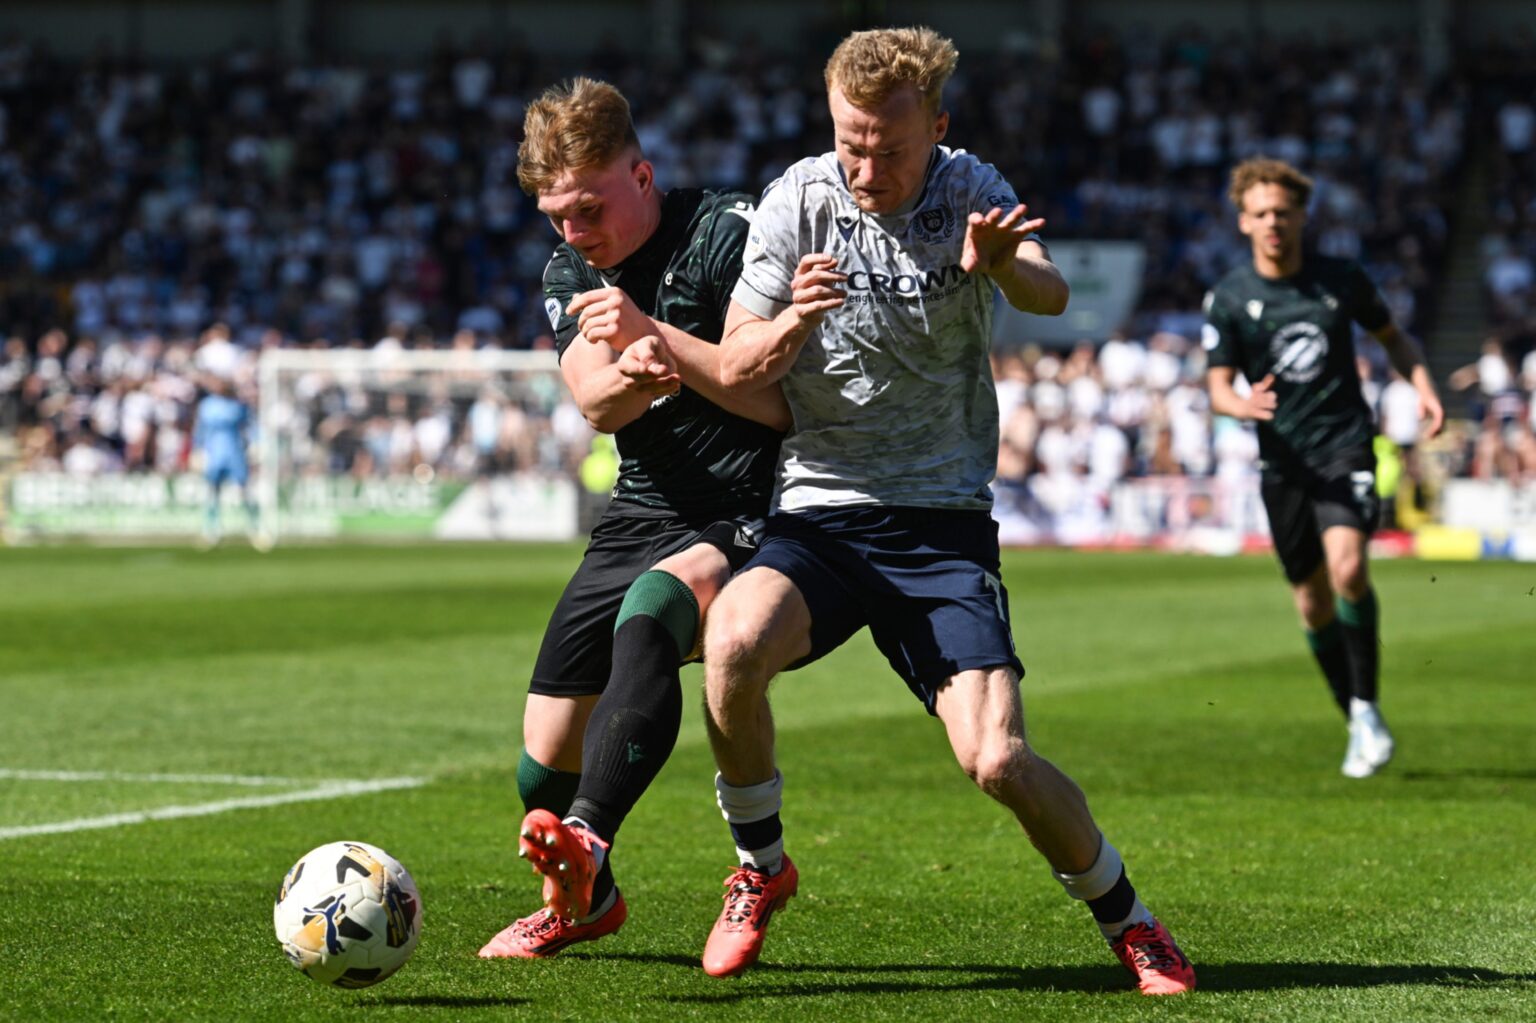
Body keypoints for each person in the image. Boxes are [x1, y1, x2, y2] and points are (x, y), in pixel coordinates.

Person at [695, 27, 1195, 995]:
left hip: (940, 522)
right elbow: (734, 355)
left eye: (889, 144)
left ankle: (1130, 920)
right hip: (824, 514)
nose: (866, 164)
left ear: (938, 127)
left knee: (999, 759)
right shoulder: (799, 199)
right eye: (851, 142)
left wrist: (1001, 266)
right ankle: (760, 865)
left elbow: (1046, 293)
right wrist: (793, 319)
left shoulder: (971, 186)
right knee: (731, 644)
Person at [477, 78, 791, 960]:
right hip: (639, 510)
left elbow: (782, 400)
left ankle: (592, 839)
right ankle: (590, 900)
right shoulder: (570, 270)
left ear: (642, 174)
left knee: (655, 611)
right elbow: (594, 400)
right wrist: (635, 379)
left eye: (588, 207)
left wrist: (665, 345)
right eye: (555, 215)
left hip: (744, 506)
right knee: (540, 757)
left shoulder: (729, 231)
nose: (574, 232)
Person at [1203, 157, 1444, 778]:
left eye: (1283, 211)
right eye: (1261, 213)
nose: (1273, 222)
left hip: (1344, 445)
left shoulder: (1341, 279)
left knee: (1349, 567)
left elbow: (1393, 336)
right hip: (1281, 461)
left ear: (1303, 216)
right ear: (1243, 222)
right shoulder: (1231, 297)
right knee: (1311, 605)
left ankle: (1366, 705)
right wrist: (1241, 404)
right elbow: (1218, 385)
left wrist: (1421, 384)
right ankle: (1359, 719)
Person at [191, 375, 266, 549]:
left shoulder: (238, 405)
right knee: (213, 491)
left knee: (244, 490)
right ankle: (211, 529)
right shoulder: (207, 406)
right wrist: (197, 450)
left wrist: (257, 443)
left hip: (235, 451)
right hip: (214, 453)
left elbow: (251, 426)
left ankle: (255, 527)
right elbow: (200, 430)